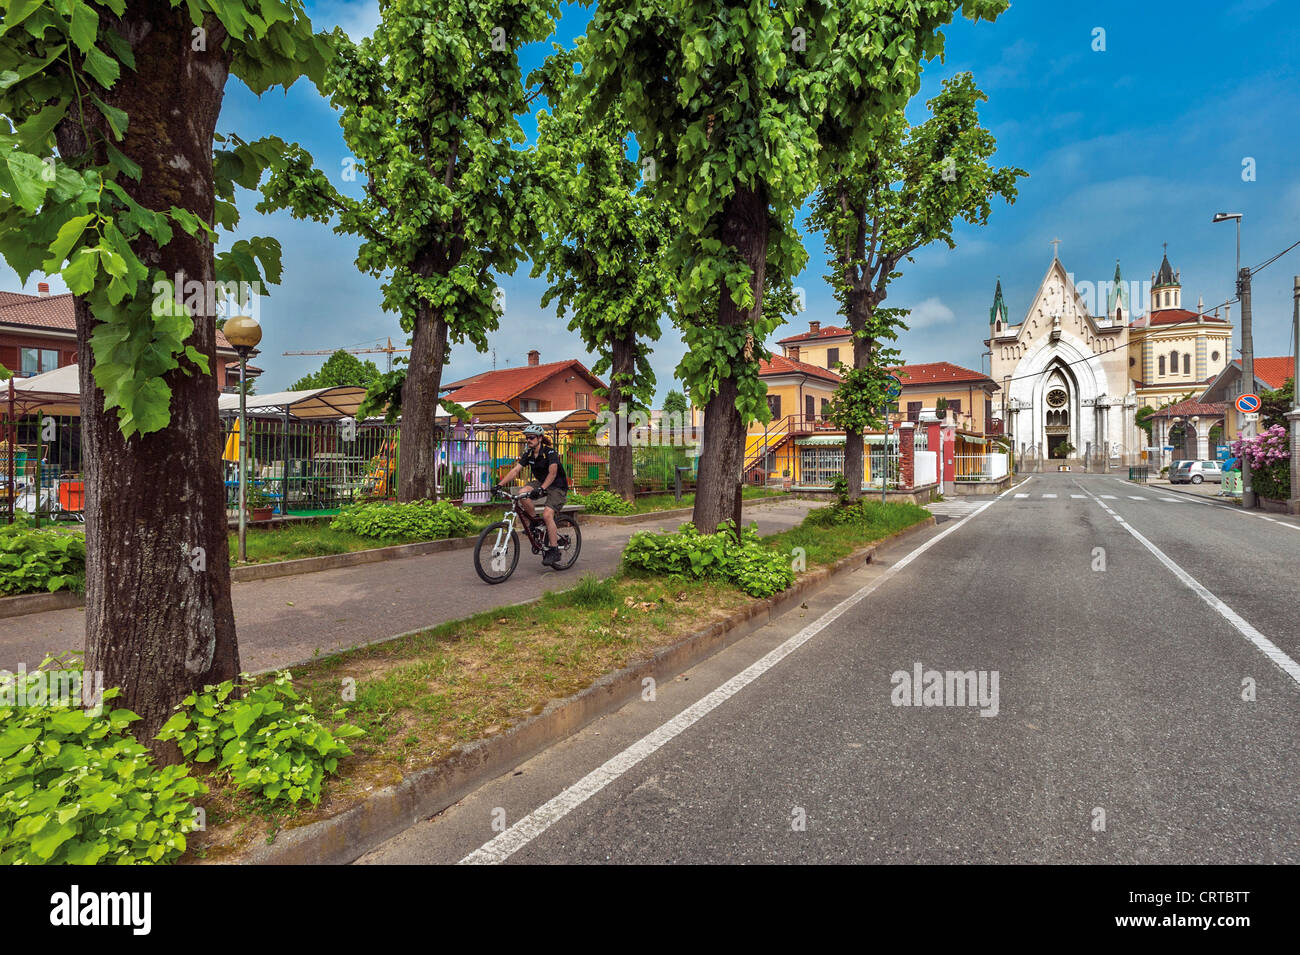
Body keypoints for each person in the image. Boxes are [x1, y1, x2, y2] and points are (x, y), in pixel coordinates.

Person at [494, 424, 569, 566]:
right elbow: (515, 471)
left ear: (540, 438)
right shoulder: (528, 454)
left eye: (531, 437)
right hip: (541, 482)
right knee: (522, 493)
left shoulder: (550, 452)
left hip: (557, 486)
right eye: (527, 437)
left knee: (547, 515)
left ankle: (554, 551)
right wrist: (499, 485)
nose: (528, 440)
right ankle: (534, 522)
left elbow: (552, 473)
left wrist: (542, 489)